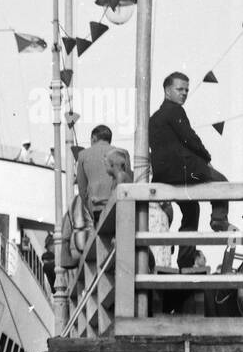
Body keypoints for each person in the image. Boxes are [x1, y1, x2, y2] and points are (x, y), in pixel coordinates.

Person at [149, 71, 230, 268]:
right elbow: (189, 137)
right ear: (168, 91)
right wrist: (206, 158)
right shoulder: (175, 111)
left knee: (192, 210)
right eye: (180, 89)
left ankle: (185, 260)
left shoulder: (154, 118)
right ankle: (218, 220)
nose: (184, 93)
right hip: (183, 170)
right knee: (222, 182)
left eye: (186, 89)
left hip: (163, 175)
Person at [76, 125, 131, 225]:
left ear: (94, 138)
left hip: (96, 207)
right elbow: (128, 184)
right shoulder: (123, 153)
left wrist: (89, 209)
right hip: (120, 206)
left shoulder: (82, 155)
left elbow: (82, 189)